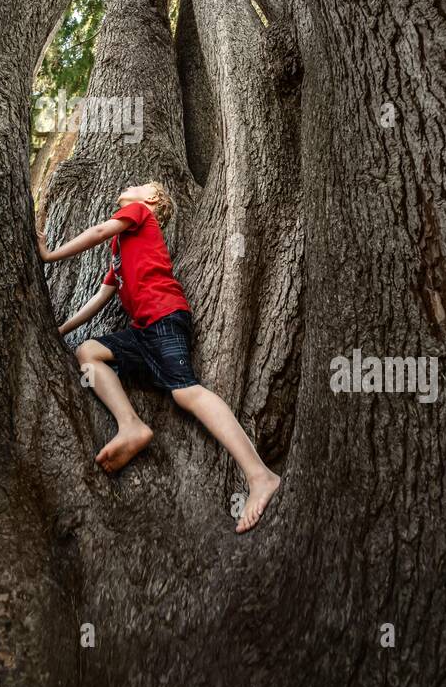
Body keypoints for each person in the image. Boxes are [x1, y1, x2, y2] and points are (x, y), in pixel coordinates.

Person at [37, 181, 281, 533]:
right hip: (143, 332)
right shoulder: (120, 251)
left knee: (186, 392)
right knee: (88, 352)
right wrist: (60, 330)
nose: (128, 187)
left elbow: (100, 229)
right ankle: (131, 425)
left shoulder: (140, 214)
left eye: (138, 185)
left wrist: (50, 256)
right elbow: (100, 298)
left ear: (150, 200)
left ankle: (260, 475)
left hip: (165, 315)